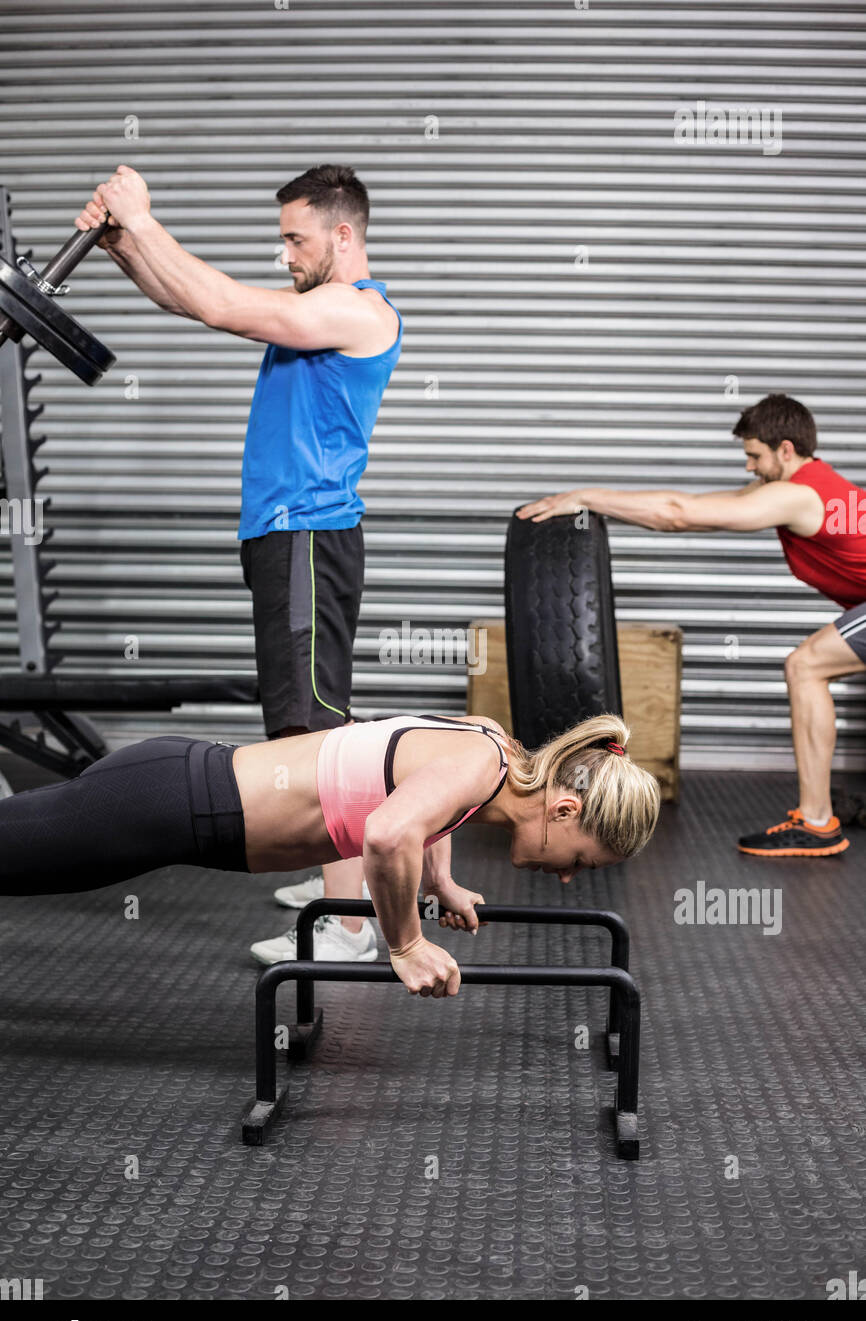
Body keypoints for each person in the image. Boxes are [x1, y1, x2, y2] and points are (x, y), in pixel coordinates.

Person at [74, 162, 402, 966]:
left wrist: (143, 220)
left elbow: (221, 304)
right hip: (287, 538)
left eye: (296, 237)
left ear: (343, 235)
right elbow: (190, 299)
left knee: (312, 729)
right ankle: (336, 868)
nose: (284, 252)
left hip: (308, 538)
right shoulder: (311, 308)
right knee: (311, 715)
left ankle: (352, 921)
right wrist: (123, 245)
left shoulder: (354, 311)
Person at [0, 712, 660, 998]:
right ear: (566, 810)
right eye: (584, 859)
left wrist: (444, 881)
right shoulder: (482, 761)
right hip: (171, 802)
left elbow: (424, 803)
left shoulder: (493, 749)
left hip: (179, 797)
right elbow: (387, 832)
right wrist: (403, 943)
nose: (571, 875)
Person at [518, 393, 866, 857]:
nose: (749, 468)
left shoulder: (797, 493)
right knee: (812, 664)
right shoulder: (808, 488)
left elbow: (678, 515)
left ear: (786, 450)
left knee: (807, 666)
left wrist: (583, 495)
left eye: (754, 455)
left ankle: (818, 822)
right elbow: (689, 509)